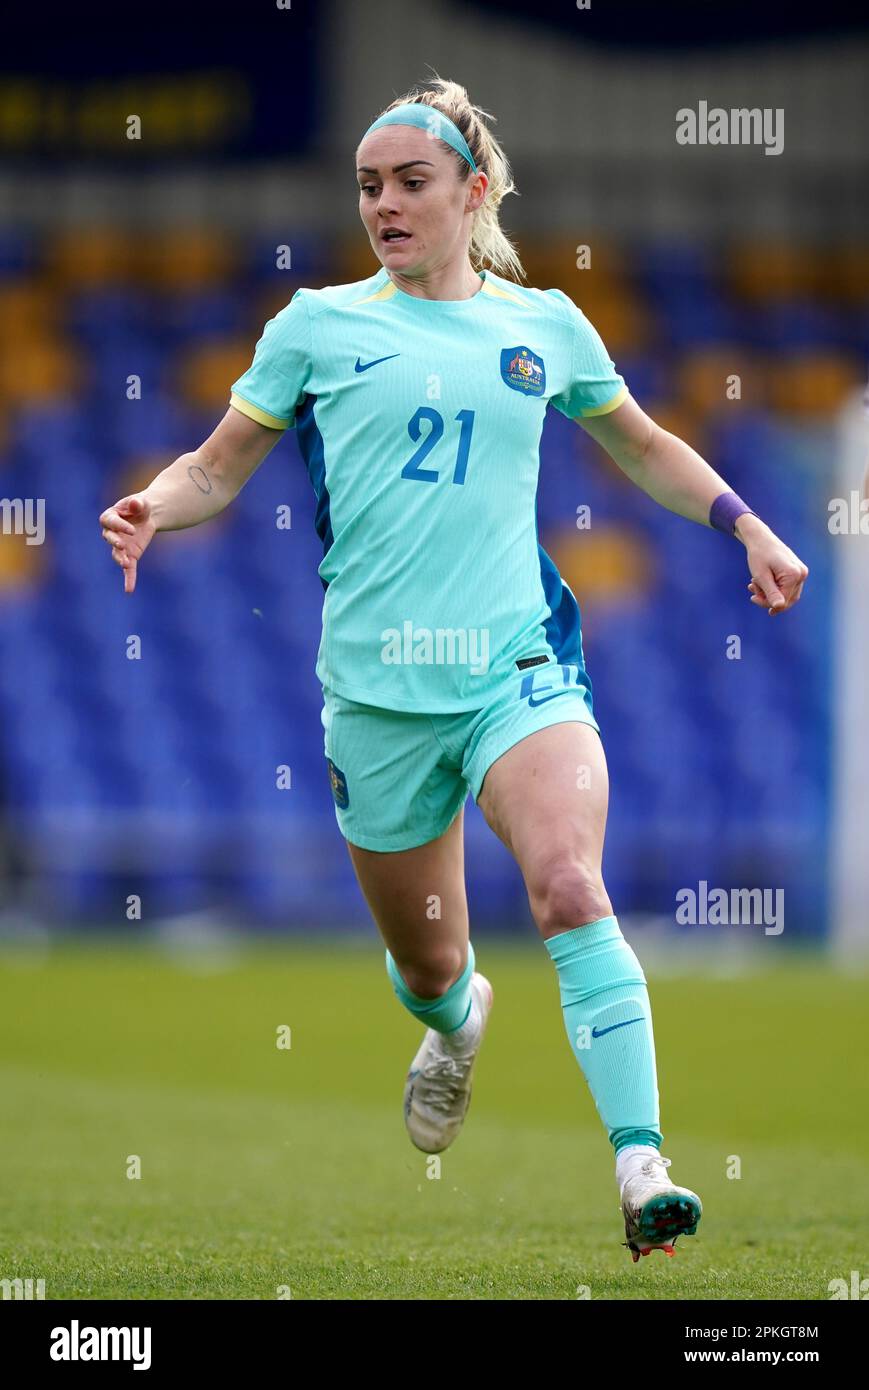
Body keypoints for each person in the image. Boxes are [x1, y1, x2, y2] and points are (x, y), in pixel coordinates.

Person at [99, 76, 809, 1263]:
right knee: (430, 965)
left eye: (409, 182)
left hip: (513, 669)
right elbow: (217, 466)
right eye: (368, 184)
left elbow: (639, 445)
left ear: (472, 192)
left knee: (570, 887)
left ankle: (642, 1167)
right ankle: (455, 1019)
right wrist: (152, 507)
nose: (383, 202)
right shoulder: (316, 325)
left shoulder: (544, 326)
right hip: (375, 700)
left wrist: (743, 520)